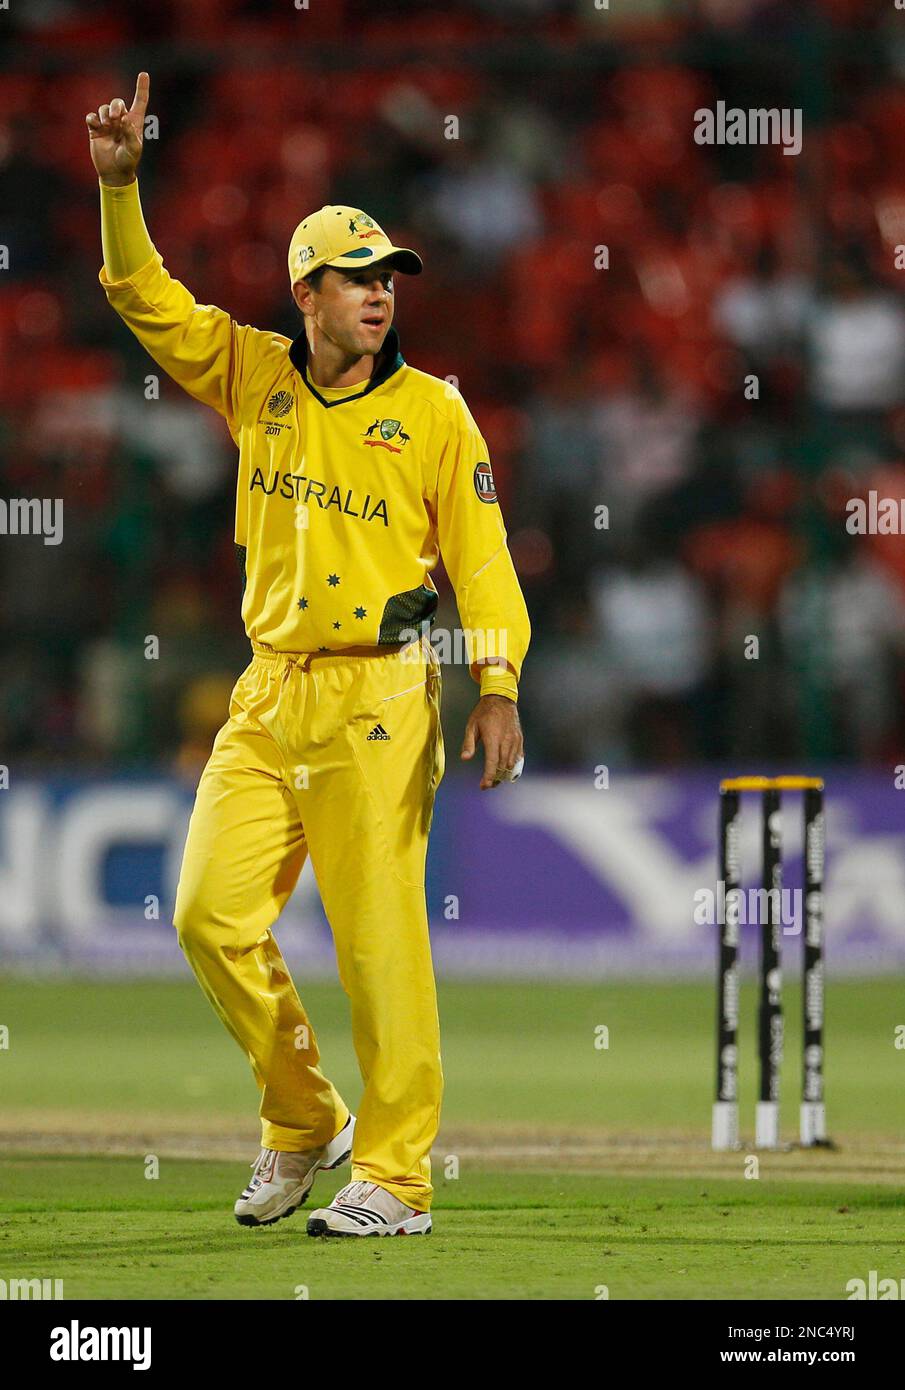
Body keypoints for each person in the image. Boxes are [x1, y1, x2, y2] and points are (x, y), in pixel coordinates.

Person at [88, 73, 530, 1237]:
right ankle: (302, 1117)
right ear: (306, 292)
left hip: (382, 694)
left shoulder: (436, 412)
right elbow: (142, 295)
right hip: (267, 688)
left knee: (381, 950)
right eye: (359, 278)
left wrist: (495, 683)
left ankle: (394, 1176)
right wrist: (122, 187)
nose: (381, 295)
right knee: (204, 916)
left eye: (390, 278)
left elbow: (482, 564)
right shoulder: (255, 375)